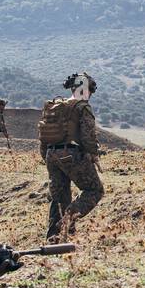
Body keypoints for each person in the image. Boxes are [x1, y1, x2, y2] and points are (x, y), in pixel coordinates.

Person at [39, 73, 105, 240]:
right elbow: (88, 135)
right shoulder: (82, 107)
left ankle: (54, 237)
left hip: (50, 154)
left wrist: (47, 157)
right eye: (90, 90)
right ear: (86, 89)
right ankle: (66, 222)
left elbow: (44, 135)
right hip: (72, 154)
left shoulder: (56, 106)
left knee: (59, 197)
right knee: (94, 190)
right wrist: (94, 154)